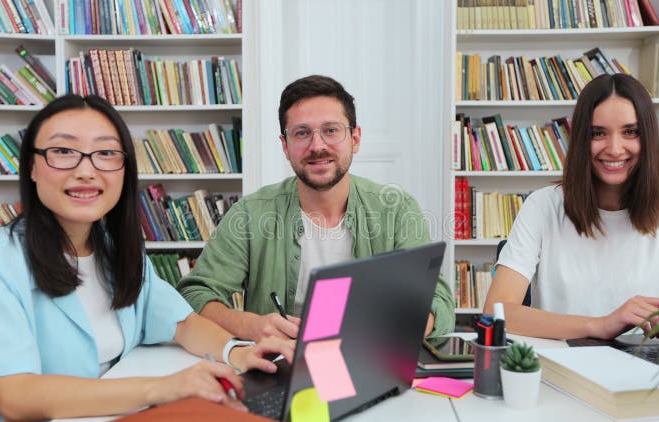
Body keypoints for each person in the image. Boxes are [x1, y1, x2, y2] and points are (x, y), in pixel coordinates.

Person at [0, 95, 293, 422]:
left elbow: (182, 323)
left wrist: (237, 353)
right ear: (32, 166)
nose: (86, 170)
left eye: (106, 153)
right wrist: (165, 387)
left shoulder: (116, 247)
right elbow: (16, 397)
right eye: (63, 151)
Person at [178, 75, 455, 342]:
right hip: (276, 363)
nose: (317, 146)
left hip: (370, 361)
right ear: (285, 146)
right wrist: (250, 325)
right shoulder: (250, 214)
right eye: (302, 133)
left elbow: (437, 301)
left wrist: (392, 329)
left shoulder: (397, 210)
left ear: (355, 139)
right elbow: (196, 293)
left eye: (331, 130)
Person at [483, 73, 659, 340]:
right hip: (564, 370)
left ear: (647, 138)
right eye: (598, 133)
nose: (614, 149)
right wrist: (600, 325)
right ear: (580, 140)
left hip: (647, 372)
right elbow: (496, 311)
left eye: (630, 132)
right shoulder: (542, 207)